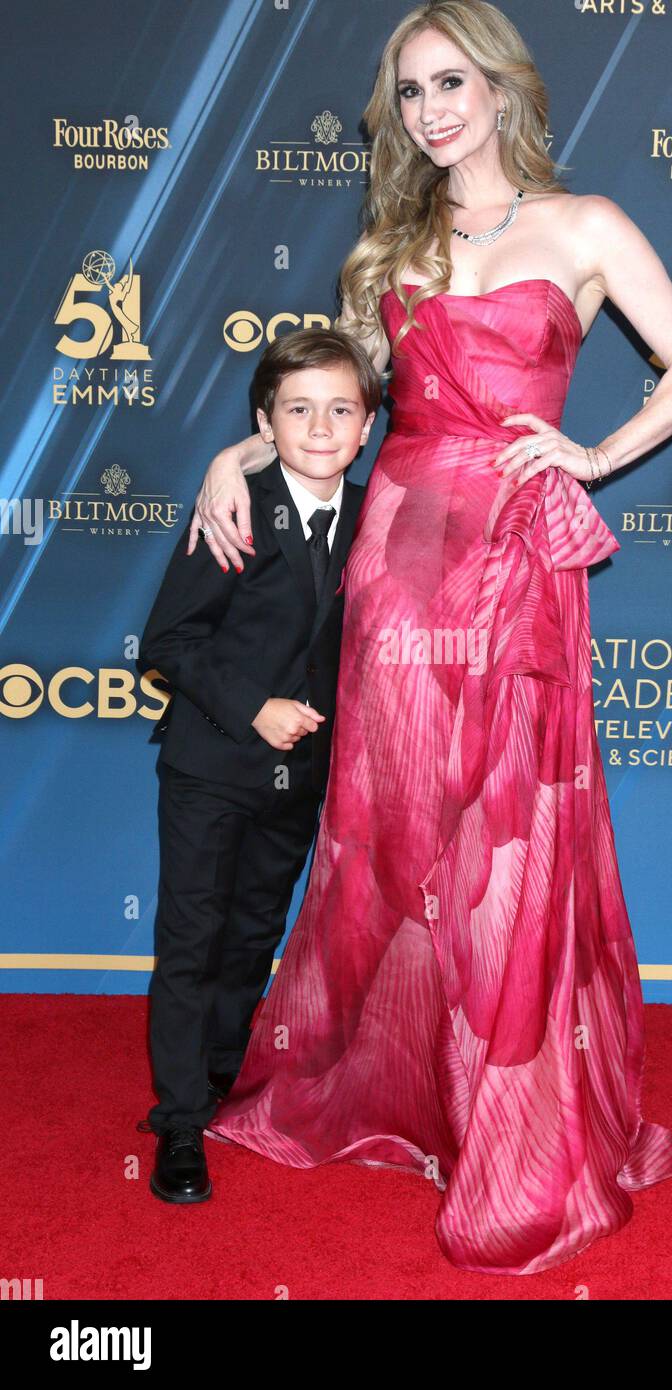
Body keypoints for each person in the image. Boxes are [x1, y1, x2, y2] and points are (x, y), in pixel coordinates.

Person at [189, 0, 672, 1273]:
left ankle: (519, 1131)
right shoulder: (387, 248)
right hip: (402, 558)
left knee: (516, 828)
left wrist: (590, 457)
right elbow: (348, 408)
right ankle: (416, 1099)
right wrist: (242, 447)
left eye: (449, 83)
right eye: (410, 93)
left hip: (518, 552)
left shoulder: (583, 225)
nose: (431, 110)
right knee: (403, 826)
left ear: (497, 86)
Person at [138, 327, 378, 1203]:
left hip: (299, 780)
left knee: (250, 940)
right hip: (211, 764)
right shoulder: (233, 505)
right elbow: (167, 641)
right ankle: (177, 1126)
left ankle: (213, 1085)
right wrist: (253, 706)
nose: (320, 427)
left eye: (341, 410)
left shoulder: (373, 515)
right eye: (298, 409)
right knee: (192, 942)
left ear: (366, 427)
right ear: (265, 422)